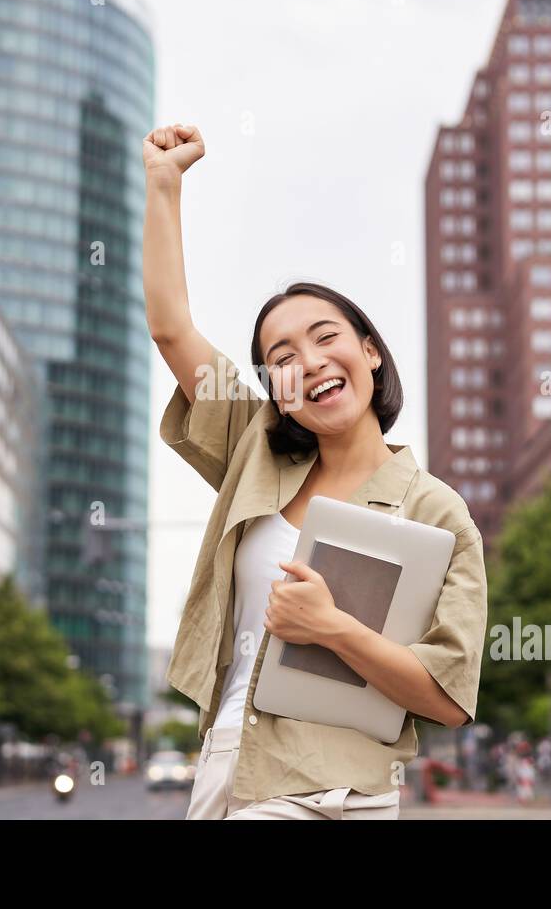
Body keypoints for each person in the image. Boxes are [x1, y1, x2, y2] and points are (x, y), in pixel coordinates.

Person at [142, 123, 489, 820]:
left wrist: (333, 627)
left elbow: (447, 697)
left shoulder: (435, 510)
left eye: (326, 337)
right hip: (228, 763)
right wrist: (163, 186)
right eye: (284, 356)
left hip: (340, 788)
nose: (310, 361)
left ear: (371, 354)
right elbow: (172, 329)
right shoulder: (255, 449)